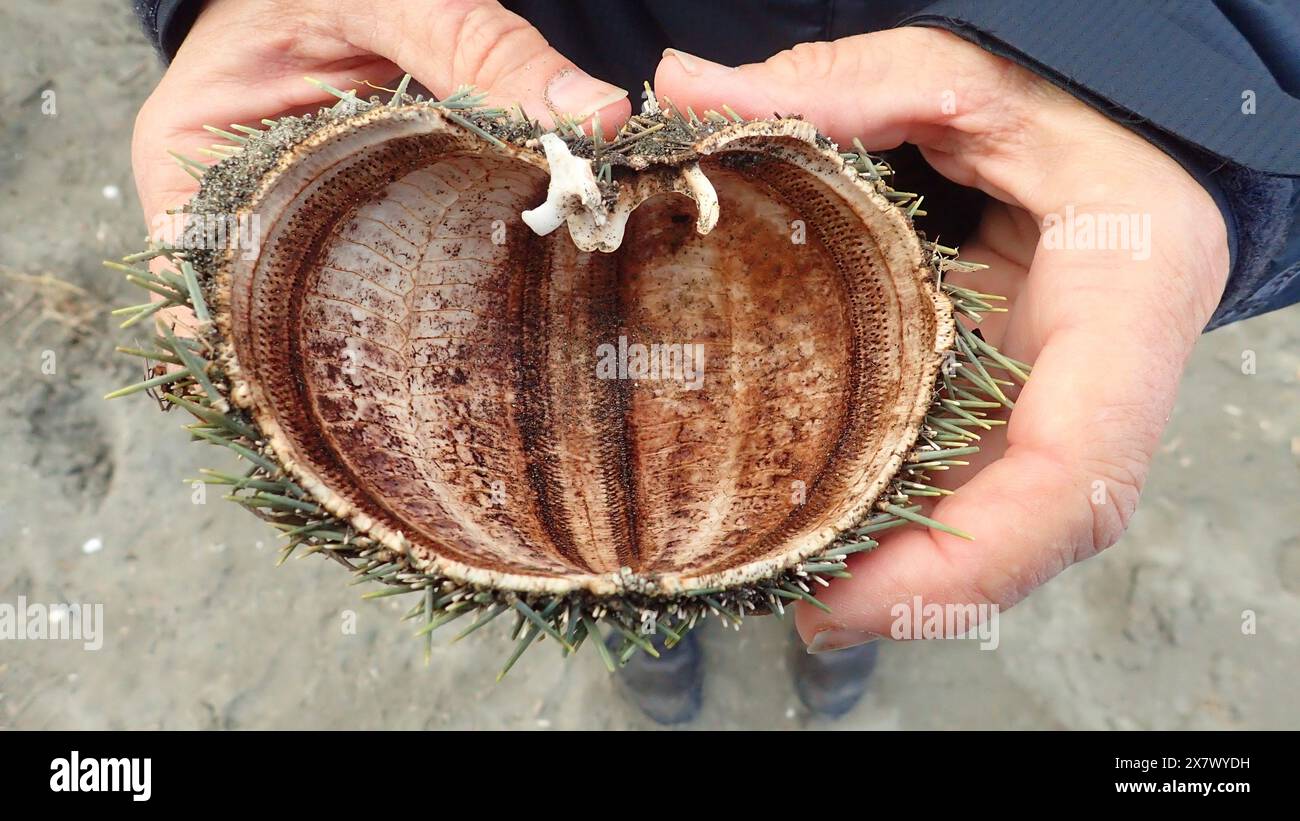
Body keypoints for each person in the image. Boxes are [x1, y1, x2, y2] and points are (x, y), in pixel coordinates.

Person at [131, 0, 1300, 724]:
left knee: (886, 521)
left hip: (934, 170)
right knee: (647, 585)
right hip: (449, 79)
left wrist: (1177, 100)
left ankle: (818, 637)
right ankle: (656, 638)